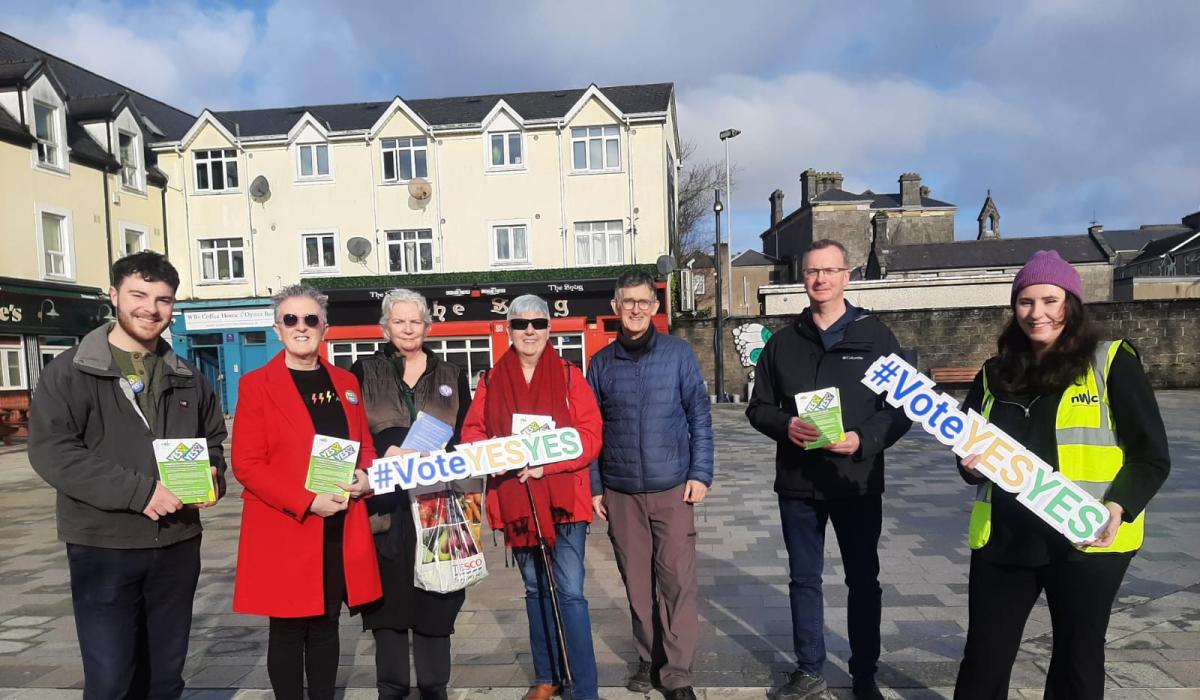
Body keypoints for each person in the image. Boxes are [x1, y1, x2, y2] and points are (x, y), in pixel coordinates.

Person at [953, 250, 1170, 698]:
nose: (1039, 314)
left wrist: (1119, 505)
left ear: (1070, 303)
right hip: (1008, 538)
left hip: (1086, 538)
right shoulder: (995, 373)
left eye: (1050, 300)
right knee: (983, 659)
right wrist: (969, 465)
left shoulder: (1110, 362)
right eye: (1026, 302)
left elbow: (1151, 456)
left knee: (1077, 657)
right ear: (1014, 308)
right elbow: (967, 449)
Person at [28, 251, 227, 700]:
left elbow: (213, 439)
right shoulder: (71, 370)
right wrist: (140, 493)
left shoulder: (188, 377)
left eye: (163, 299)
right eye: (139, 295)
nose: (150, 309)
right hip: (104, 546)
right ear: (114, 296)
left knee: (164, 680)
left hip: (177, 543)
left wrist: (212, 475)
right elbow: (53, 452)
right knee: (111, 680)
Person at [746, 239, 912, 700]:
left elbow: (902, 408)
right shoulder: (782, 343)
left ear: (846, 276)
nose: (820, 280)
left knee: (863, 580)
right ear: (804, 279)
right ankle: (810, 670)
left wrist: (865, 439)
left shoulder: (876, 338)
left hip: (856, 481)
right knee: (804, 580)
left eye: (829, 271)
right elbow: (758, 408)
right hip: (799, 483)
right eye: (812, 272)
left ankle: (864, 675)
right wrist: (786, 426)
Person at [231, 284, 381, 700]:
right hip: (288, 525)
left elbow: (363, 445)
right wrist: (306, 501)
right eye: (291, 320)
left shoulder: (346, 382)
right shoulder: (257, 385)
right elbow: (246, 463)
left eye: (310, 319)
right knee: (288, 630)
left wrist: (366, 477)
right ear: (278, 329)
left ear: (325, 327)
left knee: (327, 624)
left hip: (338, 523)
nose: (301, 327)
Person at [461, 294, 603, 700]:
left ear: (549, 329)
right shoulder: (490, 380)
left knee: (570, 592)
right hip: (517, 501)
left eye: (537, 323)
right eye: (520, 324)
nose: (529, 331)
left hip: (563, 502)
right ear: (508, 330)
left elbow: (590, 437)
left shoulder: (570, 375)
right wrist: (502, 454)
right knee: (535, 590)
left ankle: (584, 687)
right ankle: (547, 675)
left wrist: (547, 465)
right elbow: (473, 435)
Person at [587, 269, 713, 700]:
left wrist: (701, 473)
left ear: (656, 308)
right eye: (628, 302)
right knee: (637, 585)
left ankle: (678, 675)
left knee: (677, 584)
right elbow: (592, 429)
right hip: (621, 492)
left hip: (673, 489)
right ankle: (649, 657)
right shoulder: (600, 364)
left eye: (644, 302)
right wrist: (594, 486)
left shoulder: (679, 355)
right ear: (615, 308)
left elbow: (699, 416)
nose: (636, 309)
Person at [350, 289, 471, 700]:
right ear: (385, 327)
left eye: (414, 321)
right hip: (385, 507)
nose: (406, 328)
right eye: (398, 321)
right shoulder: (362, 371)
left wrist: (463, 487)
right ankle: (392, 688)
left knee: (437, 597)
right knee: (388, 601)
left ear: (427, 326)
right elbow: (352, 434)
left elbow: (468, 441)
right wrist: (383, 454)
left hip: (437, 504)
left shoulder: (452, 374)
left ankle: (435, 687)